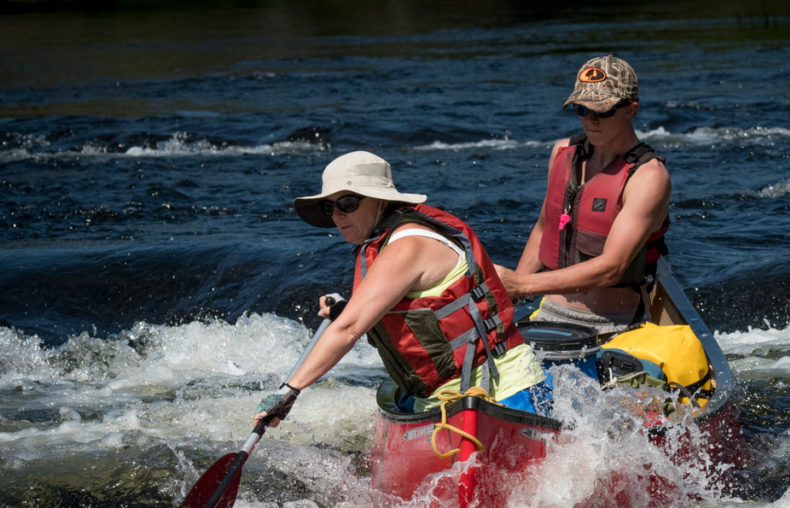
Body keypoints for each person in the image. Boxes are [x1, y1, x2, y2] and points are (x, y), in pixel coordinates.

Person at [255, 151, 547, 426]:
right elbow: (393, 308)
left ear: (379, 200)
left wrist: (289, 391)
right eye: (329, 207)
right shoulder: (381, 241)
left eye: (347, 203)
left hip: (501, 391)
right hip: (442, 397)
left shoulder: (408, 245)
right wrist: (348, 308)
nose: (337, 215)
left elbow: (348, 330)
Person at [495, 55, 671, 337]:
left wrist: (521, 284)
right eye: (581, 109)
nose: (590, 120)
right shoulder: (563, 153)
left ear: (631, 109)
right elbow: (543, 230)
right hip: (549, 315)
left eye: (602, 111)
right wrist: (510, 296)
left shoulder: (648, 177)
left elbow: (611, 269)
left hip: (613, 325)